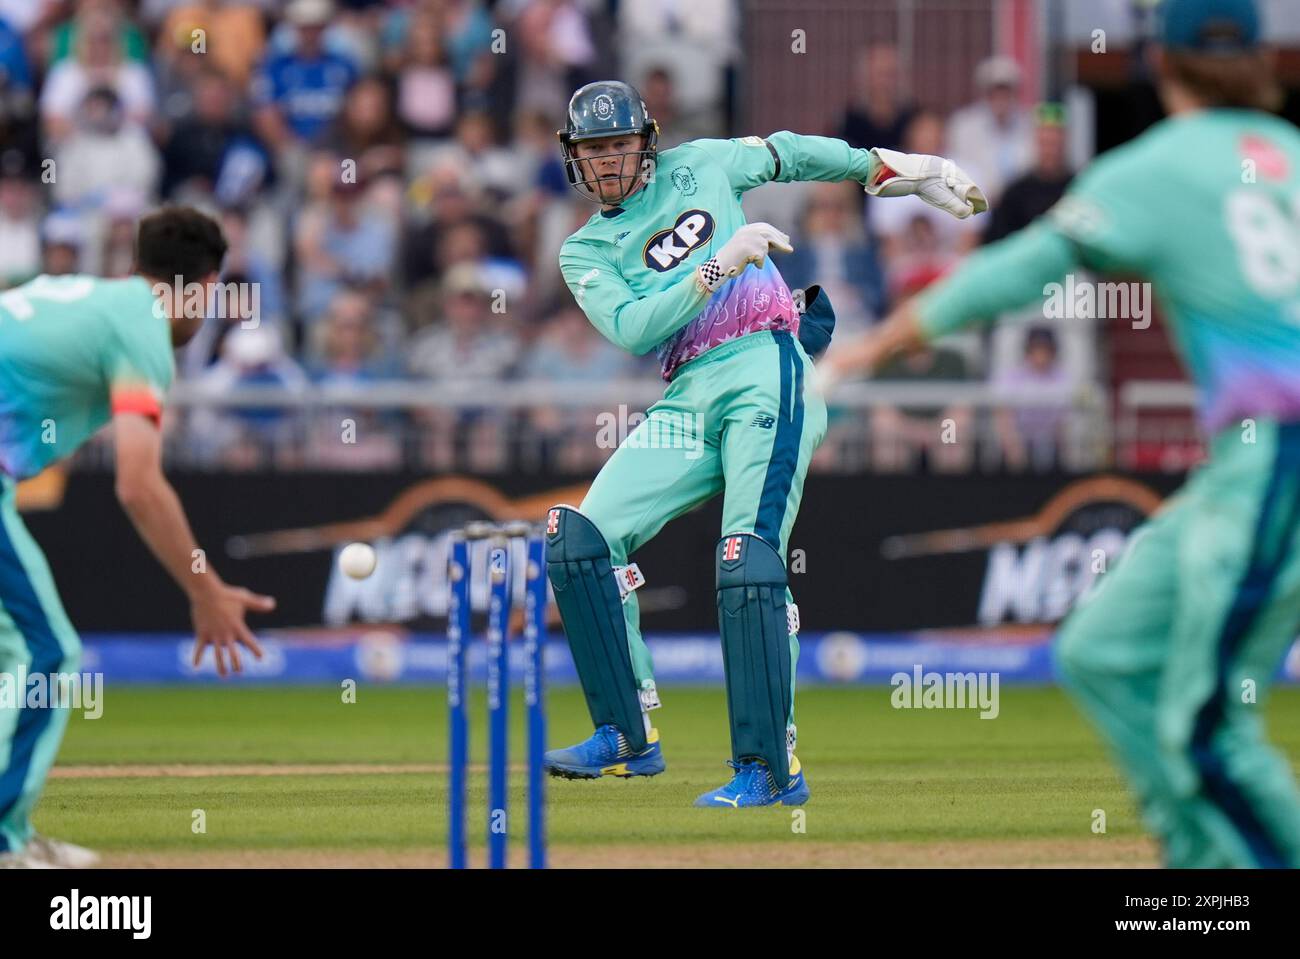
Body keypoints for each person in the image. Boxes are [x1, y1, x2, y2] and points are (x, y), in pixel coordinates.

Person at [820, 0, 1300, 866]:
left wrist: (873, 348)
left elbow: (1019, 267)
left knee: (1208, 729)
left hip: (1280, 461)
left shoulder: (1152, 167)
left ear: (1160, 63)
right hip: (1246, 467)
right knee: (1104, 651)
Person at [542, 80, 985, 807]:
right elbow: (633, 329)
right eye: (595, 151)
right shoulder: (585, 248)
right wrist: (718, 266)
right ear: (575, 159)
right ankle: (626, 736)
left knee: (746, 559)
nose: (610, 162)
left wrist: (884, 166)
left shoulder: (703, 165)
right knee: (578, 538)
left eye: (620, 145)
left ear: (646, 142)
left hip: (764, 362)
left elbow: (789, 155)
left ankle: (769, 769)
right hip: (689, 391)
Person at [0, 207, 275, 868]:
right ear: (204, 286)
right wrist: (206, 591)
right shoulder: (144, 328)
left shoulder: (97, 298)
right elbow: (139, 485)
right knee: (47, 651)